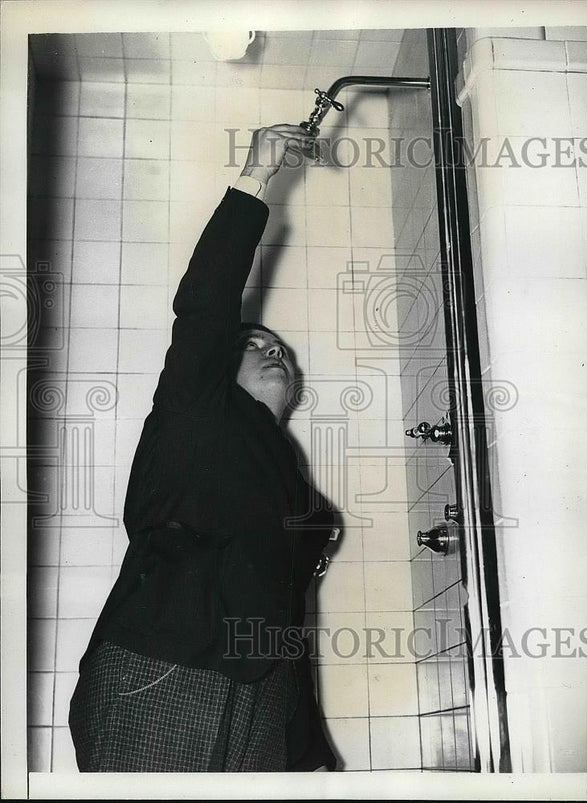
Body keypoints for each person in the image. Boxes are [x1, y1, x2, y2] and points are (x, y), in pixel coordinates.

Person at [68, 124, 338, 773]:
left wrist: (307, 745)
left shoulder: (292, 484)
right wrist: (256, 177)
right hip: (166, 663)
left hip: (266, 694)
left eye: (281, 349)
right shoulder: (196, 414)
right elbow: (205, 308)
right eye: (252, 344)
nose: (273, 350)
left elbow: (289, 614)